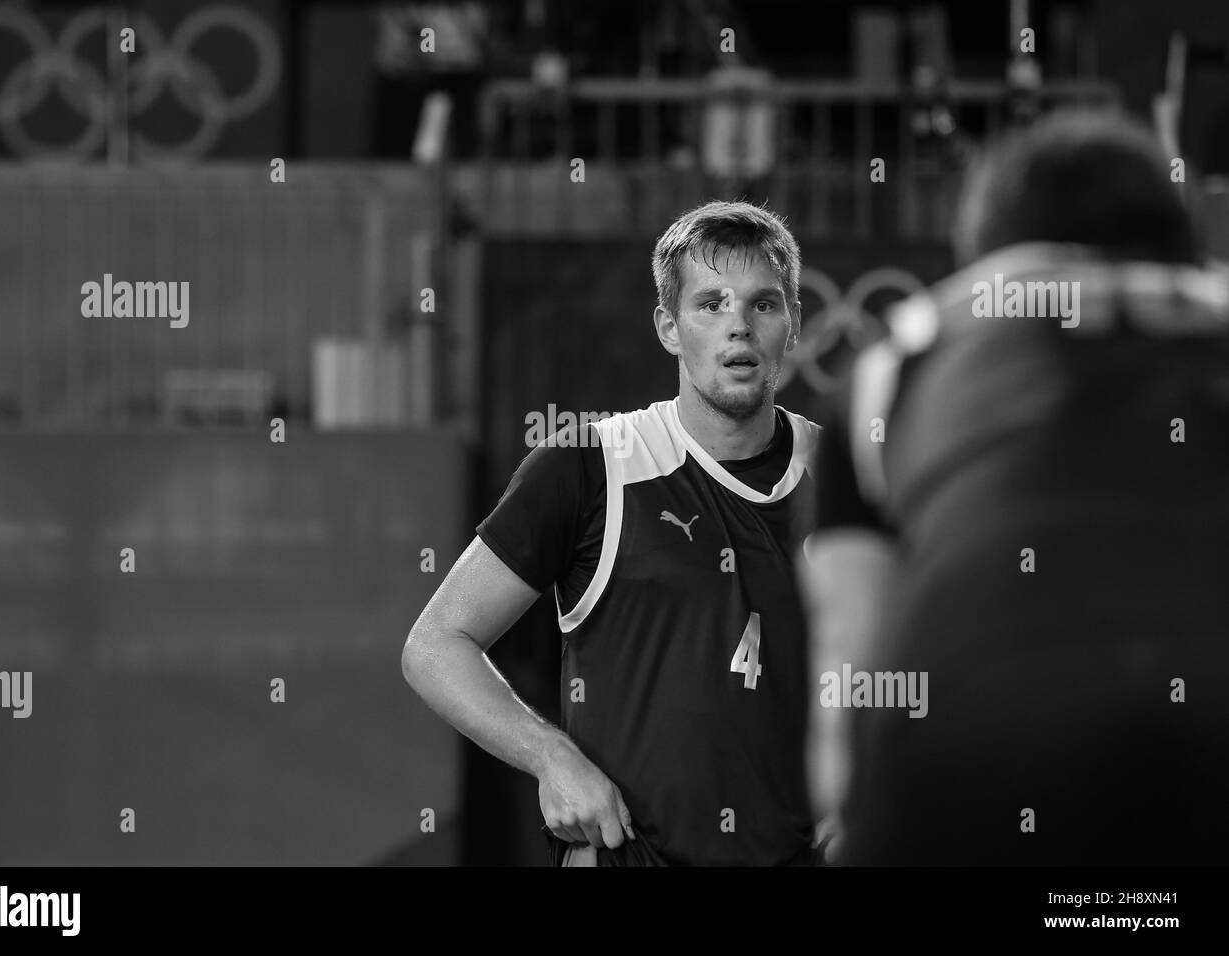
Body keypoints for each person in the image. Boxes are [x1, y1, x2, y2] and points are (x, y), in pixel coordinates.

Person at [801, 110, 1229, 865]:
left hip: (978, 741)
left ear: (985, 255)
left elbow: (854, 665)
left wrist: (861, 821)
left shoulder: (900, 353)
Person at [403, 200, 824, 865]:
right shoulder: (587, 466)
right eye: (709, 304)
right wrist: (551, 757)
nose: (737, 328)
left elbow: (909, 664)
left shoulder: (842, 478)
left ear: (793, 325)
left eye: (763, 305)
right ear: (667, 327)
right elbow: (434, 645)